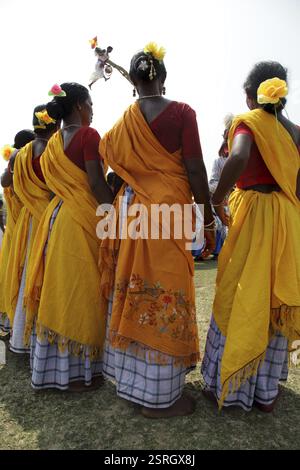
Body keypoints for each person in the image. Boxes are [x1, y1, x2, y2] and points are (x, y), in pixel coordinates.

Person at [99, 43, 215, 418]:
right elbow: (197, 171)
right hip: (167, 211)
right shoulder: (182, 113)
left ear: (133, 82)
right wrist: (208, 217)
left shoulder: (123, 122)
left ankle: (132, 386)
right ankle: (161, 399)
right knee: (166, 291)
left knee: (135, 291)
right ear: (163, 78)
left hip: (131, 211)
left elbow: (111, 163)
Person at [201, 61, 300, 412]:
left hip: (254, 219)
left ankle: (230, 387)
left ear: (249, 97)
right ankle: (265, 393)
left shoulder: (249, 123)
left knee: (242, 296)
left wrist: (215, 198)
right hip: (288, 221)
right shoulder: (296, 132)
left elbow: (239, 155)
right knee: (274, 297)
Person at [24, 82, 113, 391]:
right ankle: (84, 375)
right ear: (78, 106)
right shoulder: (89, 135)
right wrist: (113, 213)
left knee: (61, 290)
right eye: (90, 104)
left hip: (57, 219)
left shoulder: (51, 145)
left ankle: (57, 371)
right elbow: (96, 183)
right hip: (80, 221)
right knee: (84, 292)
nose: (92, 109)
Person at [3, 107, 59, 354]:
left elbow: (5, 182)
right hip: (47, 218)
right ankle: (42, 337)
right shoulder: (53, 150)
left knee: (27, 273)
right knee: (45, 276)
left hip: (26, 219)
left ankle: (21, 336)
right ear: (54, 123)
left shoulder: (19, 154)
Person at [0, 130, 35, 336]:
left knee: (11, 271)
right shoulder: (22, 164)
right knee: (21, 272)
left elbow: (5, 182)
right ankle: (17, 323)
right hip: (24, 225)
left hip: (15, 227)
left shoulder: (12, 167)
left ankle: (10, 320)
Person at [209, 114, 234, 259]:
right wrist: (227, 189)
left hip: (245, 201)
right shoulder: (218, 161)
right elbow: (212, 183)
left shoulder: (246, 154)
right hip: (224, 202)